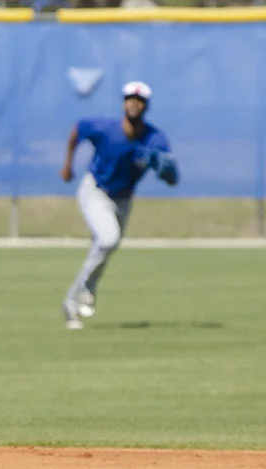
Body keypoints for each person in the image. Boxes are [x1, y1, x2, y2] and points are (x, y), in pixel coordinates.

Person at [59, 81, 178, 330]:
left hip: (123, 200)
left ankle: (73, 301)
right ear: (124, 103)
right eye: (130, 98)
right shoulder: (106, 128)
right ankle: (85, 293)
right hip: (96, 191)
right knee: (108, 239)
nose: (134, 103)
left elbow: (172, 178)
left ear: (146, 106)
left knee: (104, 247)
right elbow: (77, 130)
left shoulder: (154, 138)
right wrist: (68, 165)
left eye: (140, 100)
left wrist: (164, 169)